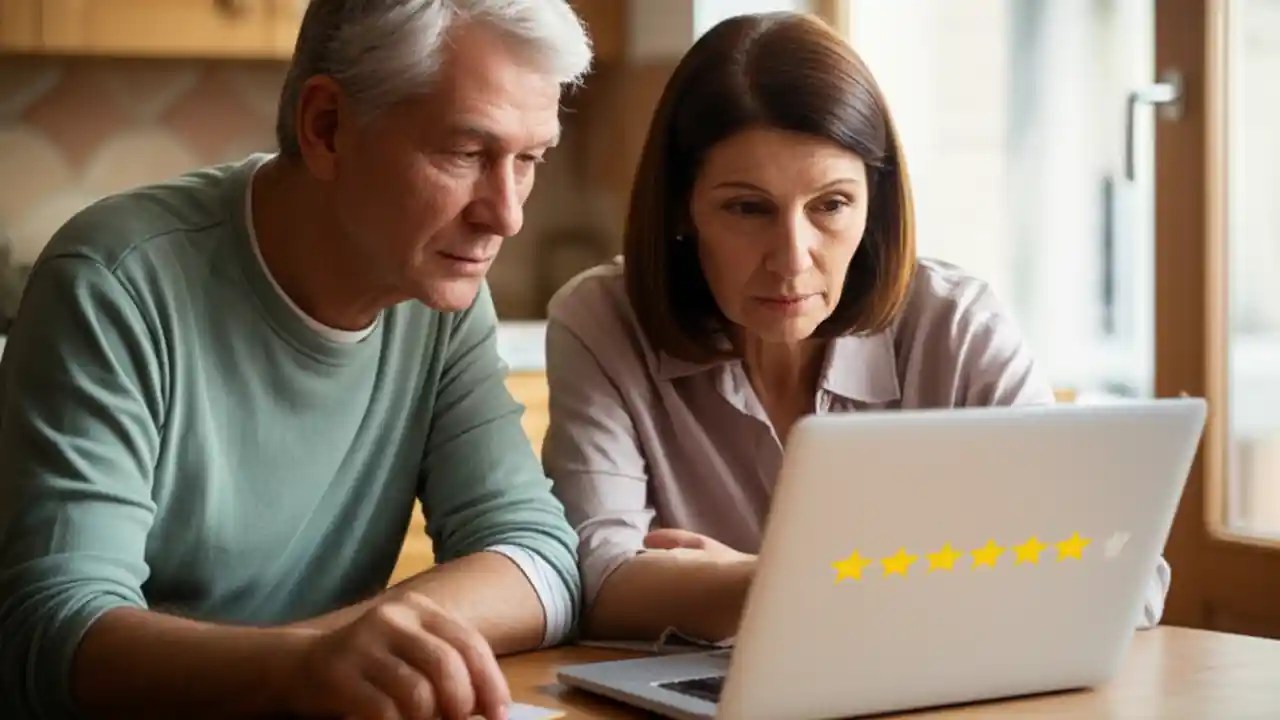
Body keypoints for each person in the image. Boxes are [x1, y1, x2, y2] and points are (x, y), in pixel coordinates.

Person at [0, 1, 592, 718]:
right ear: (327, 128)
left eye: (528, 160)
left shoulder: (437, 294)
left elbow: (539, 561)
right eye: (466, 154)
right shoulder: (116, 280)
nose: (507, 215)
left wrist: (325, 659)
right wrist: (304, 666)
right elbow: (55, 634)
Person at [542, 11, 1171, 644]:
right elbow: (595, 579)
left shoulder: (956, 327)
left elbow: (1125, 578)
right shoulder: (602, 322)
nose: (792, 258)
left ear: (874, 203)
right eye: (747, 208)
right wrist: (841, 585)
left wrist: (776, 583)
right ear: (684, 205)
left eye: (831, 205)